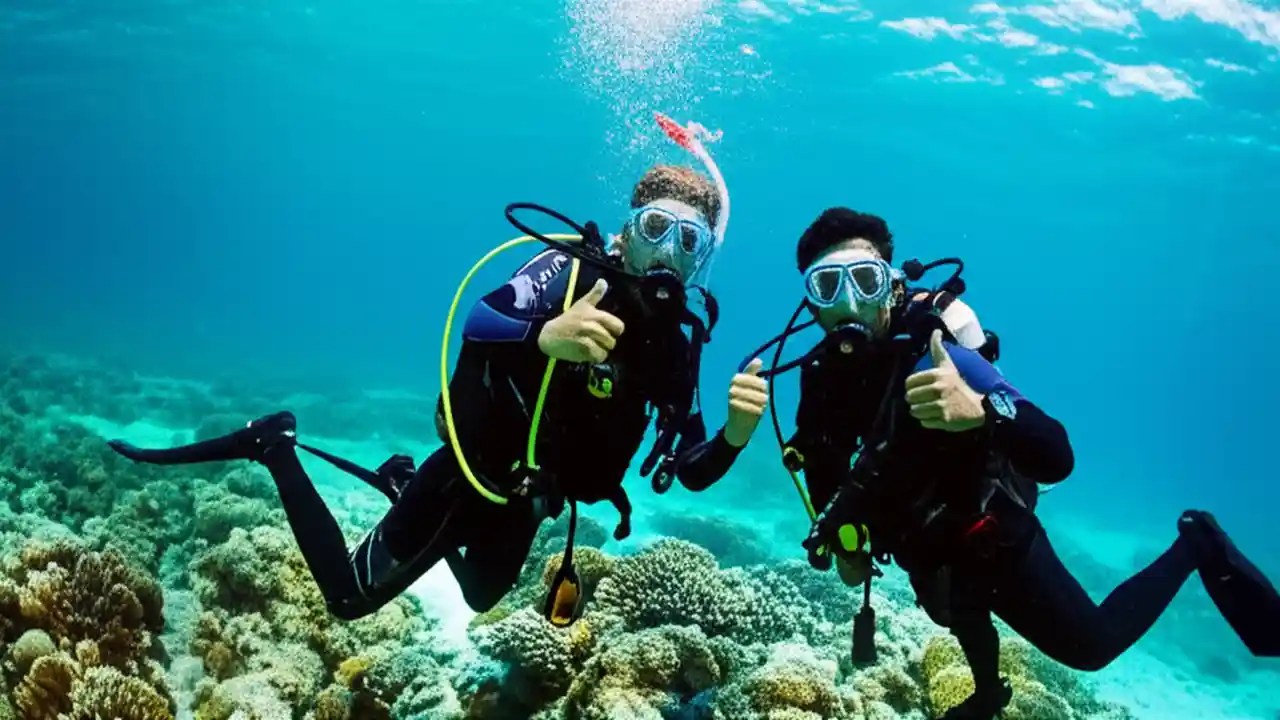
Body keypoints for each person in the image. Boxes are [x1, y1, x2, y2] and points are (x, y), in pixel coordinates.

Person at [106, 161, 771, 624]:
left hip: (529, 500)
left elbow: (689, 464)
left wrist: (736, 438)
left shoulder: (677, 346)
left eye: (689, 242)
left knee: (482, 598)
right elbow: (481, 315)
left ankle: (395, 480)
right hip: (470, 474)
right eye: (656, 229)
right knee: (347, 600)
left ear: (702, 258)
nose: (668, 255)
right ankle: (273, 445)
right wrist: (546, 336)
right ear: (628, 230)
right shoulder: (568, 275)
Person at [747, 207, 1280, 719]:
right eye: (826, 286)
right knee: (959, 612)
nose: (848, 302)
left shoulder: (940, 352)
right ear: (811, 303)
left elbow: (1056, 455)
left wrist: (978, 410)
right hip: (924, 546)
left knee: (1091, 647)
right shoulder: (819, 378)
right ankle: (987, 694)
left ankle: (1196, 541)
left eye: (863, 280)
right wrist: (846, 543)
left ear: (890, 284)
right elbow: (822, 466)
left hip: (992, 532)